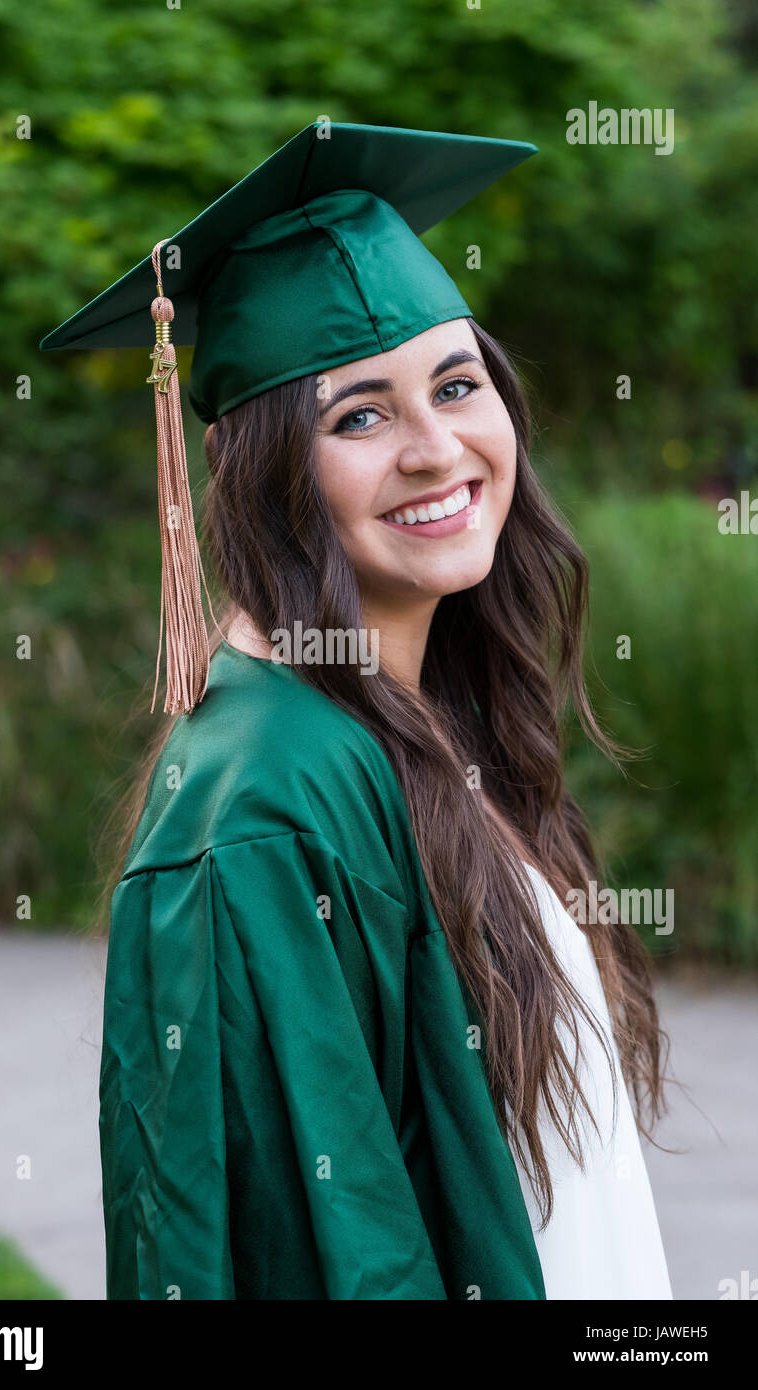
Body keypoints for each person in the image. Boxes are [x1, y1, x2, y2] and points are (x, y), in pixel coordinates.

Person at [42, 121, 673, 1300]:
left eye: (454, 385)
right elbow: (318, 1257)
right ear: (261, 468)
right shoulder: (274, 796)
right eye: (358, 416)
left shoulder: (413, 720)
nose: (438, 451)